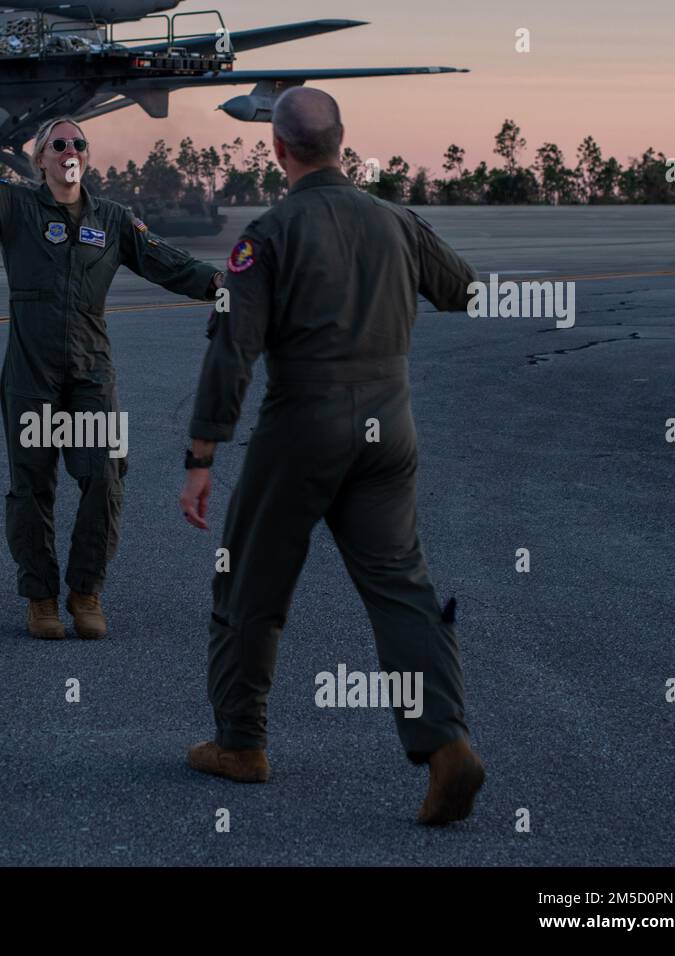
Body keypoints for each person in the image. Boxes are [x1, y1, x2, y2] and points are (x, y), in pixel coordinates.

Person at [178, 87, 485, 825]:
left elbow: (233, 352)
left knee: (249, 585)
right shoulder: (396, 221)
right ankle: (446, 745)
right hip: (389, 429)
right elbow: (464, 290)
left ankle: (241, 744)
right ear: (342, 142)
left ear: (278, 149)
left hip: (303, 430)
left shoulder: (269, 234)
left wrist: (201, 453)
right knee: (401, 588)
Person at [0, 113, 223, 640]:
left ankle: (86, 590)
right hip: (32, 377)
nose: (70, 149)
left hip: (92, 374)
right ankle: (42, 598)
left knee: (105, 480)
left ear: (85, 157)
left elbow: (170, 263)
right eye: (58, 144)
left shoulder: (114, 219)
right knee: (32, 487)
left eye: (79, 142)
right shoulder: (18, 207)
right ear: (42, 159)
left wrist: (225, 285)